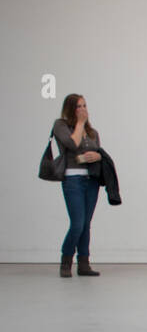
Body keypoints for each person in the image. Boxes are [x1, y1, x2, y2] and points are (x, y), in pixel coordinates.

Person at [52, 95, 102, 277]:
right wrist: (80, 123)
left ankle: (84, 263)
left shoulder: (93, 132)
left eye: (85, 106)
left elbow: (98, 151)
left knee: (86, 224)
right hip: (72, 179)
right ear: (70, 109)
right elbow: (72, 144)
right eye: (78, 107)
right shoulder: (61, 125)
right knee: (77, 224)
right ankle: (66, 261)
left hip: (91, 180)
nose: (83, 110)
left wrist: (97, 156)